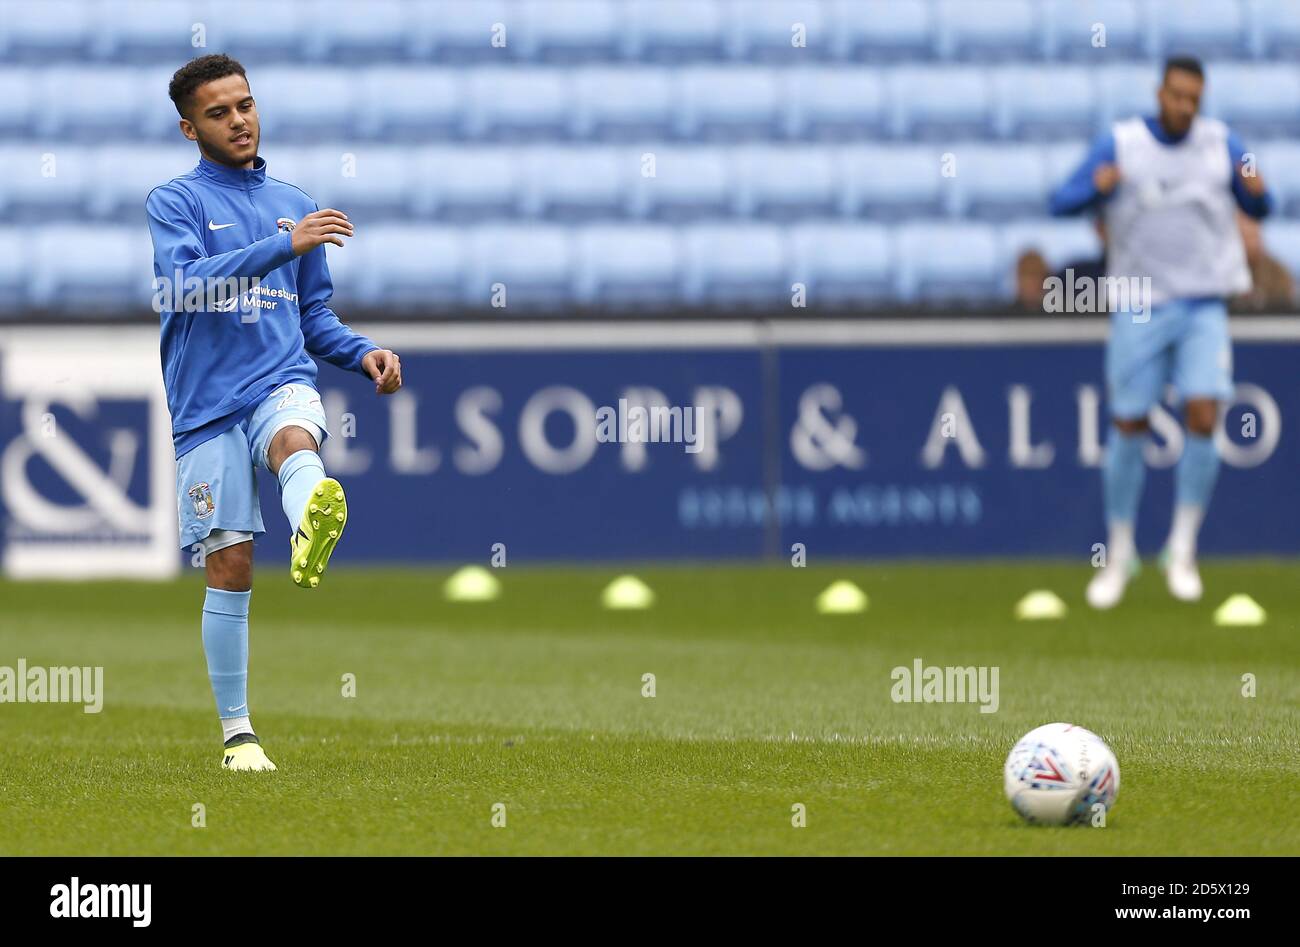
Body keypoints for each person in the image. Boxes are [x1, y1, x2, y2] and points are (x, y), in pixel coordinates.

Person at [146, 54, 403, 770]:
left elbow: (312, 313)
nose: (239, 120)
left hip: (278, 379)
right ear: (189, 127)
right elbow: (184, 288)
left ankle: (309, 511)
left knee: (295, 435)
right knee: (229, 566)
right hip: (206, 405)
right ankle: (238, 734)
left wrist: (362, 353)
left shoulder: (294, 199)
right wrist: (279, 245)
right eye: (219, 112)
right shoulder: (175, 202)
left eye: (246, 105)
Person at [1049, 56, 1272, 609]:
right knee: (1129, 421)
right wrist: (1094, 190)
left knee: (1203, 412)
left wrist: (1257, 190)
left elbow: (1261, 204)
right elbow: (1061, 200)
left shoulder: (1223, 144)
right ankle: (1119, 551)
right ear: (1160, 93)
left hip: (1202, 302)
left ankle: (1182, 547)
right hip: (1139, 303)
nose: (1184, 106)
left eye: (1193, 98)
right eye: (1176, 95)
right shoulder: (1120, 144)